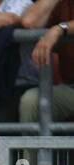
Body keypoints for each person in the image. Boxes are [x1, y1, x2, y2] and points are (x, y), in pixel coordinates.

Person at [20, 0, 74, 129]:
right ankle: (34, 150)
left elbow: (60, 28)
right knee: (31, 101)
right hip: (71, 88)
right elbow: (29, 22)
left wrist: (60, 29)